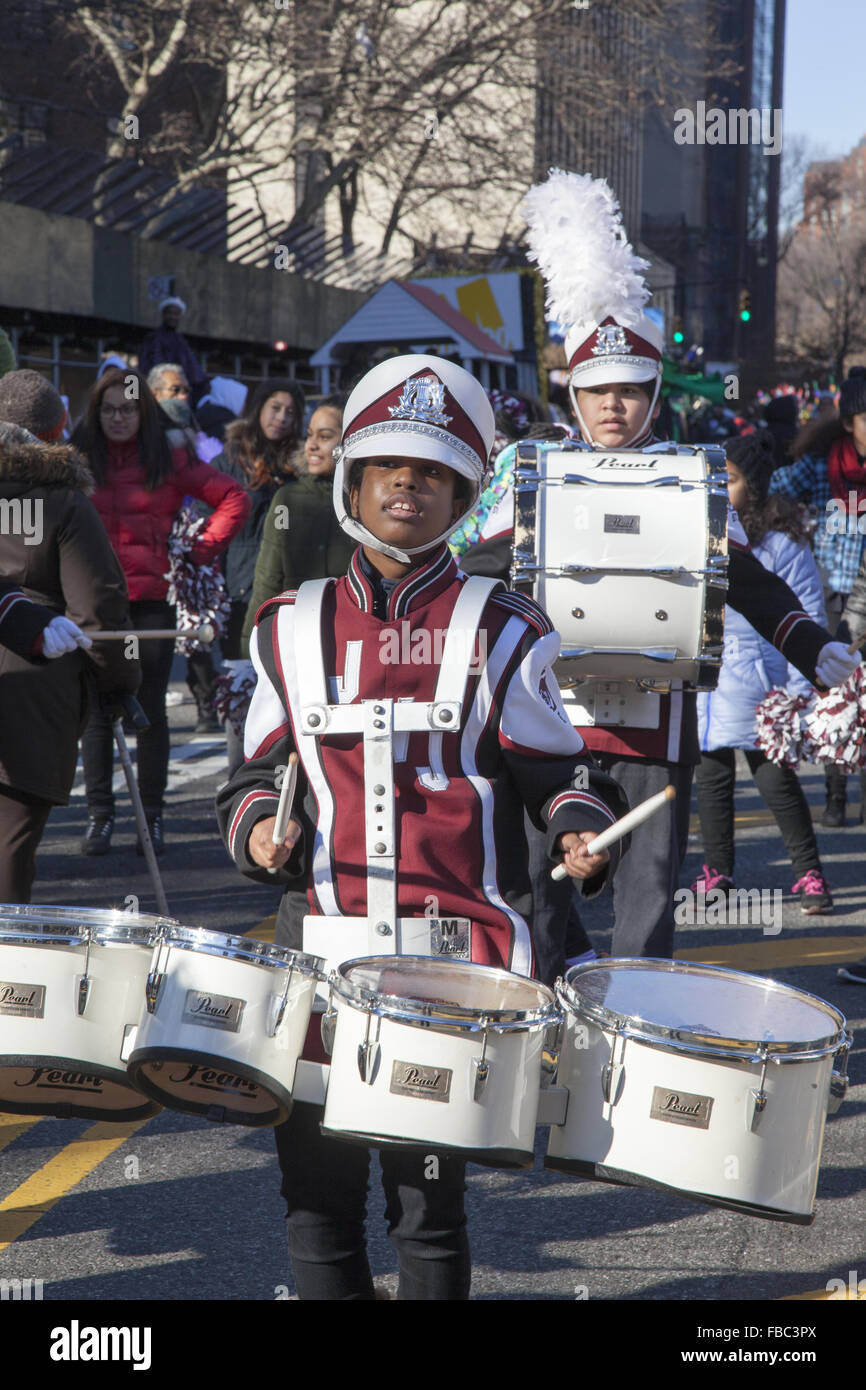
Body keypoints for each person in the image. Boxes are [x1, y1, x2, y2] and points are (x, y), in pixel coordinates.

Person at [216, 353, 628, 1301]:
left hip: (458, 957)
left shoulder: (505, 626)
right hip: (318, 951)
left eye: (434, 471)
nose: (410, 482)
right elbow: (249, 777)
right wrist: (254, 835)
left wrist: (578, 830)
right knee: (315, 1202)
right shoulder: (288, 624)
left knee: (426, 1211)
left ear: (461, 497)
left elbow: (559, 771)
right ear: (353, 482)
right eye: (391, 465)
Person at [459, 169, 858, 966]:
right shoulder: (530, 475)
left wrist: (817, 650)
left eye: (632, 391)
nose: (614, 406)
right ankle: (549, 1022)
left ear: (653, 393)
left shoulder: (691, 476)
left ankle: (628, 1048)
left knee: (645, 914)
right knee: (535, 895)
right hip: (546, 726)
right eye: (598, 390)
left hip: (655, 727)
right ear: (575, 394)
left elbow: (748, 581)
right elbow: (472, 565)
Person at [70, 367, 249, 856]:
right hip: (92, 602)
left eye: (128, 409)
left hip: (151, 603)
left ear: (142, 412)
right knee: (98, 715)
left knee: (148, 713)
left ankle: (151, 818)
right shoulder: (77, 459)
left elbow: (233, 497)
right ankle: (100, 818)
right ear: (97, 413)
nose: (119, 418)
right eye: (109, 409)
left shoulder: (168, 457)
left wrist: (202, 549)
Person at [0, 418, 139, 901]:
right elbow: (98, 611)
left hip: (32, 660)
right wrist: (119, 680)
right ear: (53, 428)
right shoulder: (63, 499)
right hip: (36, 687)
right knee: (9, 846)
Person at [694, 432, 832, 914]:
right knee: (711, 780)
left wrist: (797, 695)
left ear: (753, 487)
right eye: (713, 479)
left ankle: (809, 871)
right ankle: (718, 871)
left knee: (775, 778)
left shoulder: (779, 546)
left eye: (728, 480)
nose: (719, 489)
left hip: (761, 688)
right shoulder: (697, 537)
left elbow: (808, 615)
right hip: (708, 686)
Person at [770, 366, 866, 825]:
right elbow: (771, 492)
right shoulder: (819, 464)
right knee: (835, 694)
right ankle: (834, 795)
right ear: (849, 422)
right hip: (828, 594)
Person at [209, 379, 305, 762]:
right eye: (274, 408)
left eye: (290, 411)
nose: (281, 418)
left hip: (289, 591)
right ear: (257, 409)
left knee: (286, 686)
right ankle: (239, 773)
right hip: (238, 587)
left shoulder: (300, 464)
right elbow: (209, 522)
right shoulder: (229, 460)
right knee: (242, 684)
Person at [240, 396, 355, 655]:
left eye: (324, 436)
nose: (312, 445)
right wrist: (249, 647)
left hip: (352, 637)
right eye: (310, 435)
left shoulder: (364, 501)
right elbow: (267, 578)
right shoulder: (287, 499)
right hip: (297, 637)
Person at [139, 297, 208, 404]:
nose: (172, 317)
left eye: (176, 314)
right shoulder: (153, 338)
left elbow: (194, 373)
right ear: (163, 314)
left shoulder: (181, 341)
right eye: (169, 313)